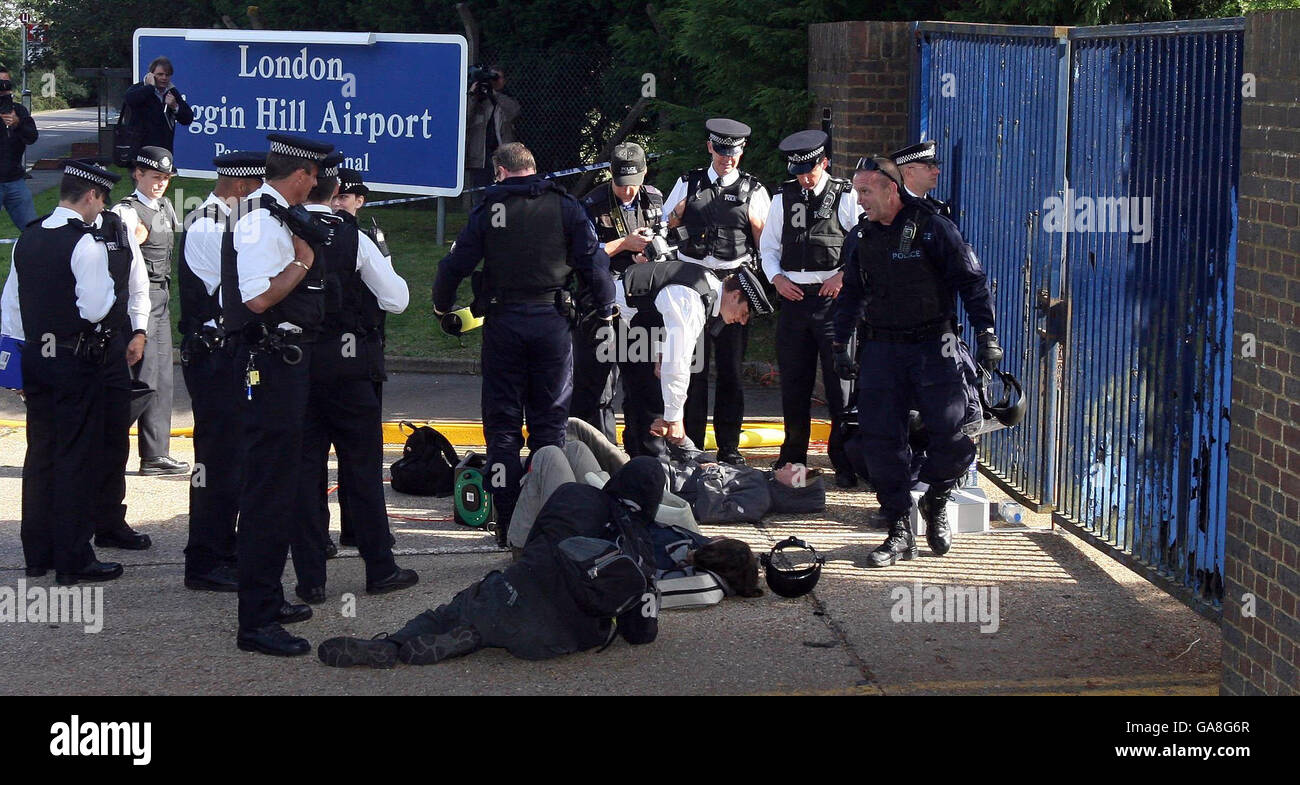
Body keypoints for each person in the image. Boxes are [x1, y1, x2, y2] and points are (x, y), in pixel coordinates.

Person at [432, 142, 616, 545]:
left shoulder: (488, 209)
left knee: (502, 430)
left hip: (504, 325)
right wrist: (605, 309)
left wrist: (441, 306)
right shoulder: (564, 206)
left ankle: (508, 522)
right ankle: (550, 522)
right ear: (533, 168)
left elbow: (455, 265)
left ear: (499, 171)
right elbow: (593, 262)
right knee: (549, 430)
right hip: (552, 324)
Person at [317, 457, 665, 668]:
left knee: (448, 612)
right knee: (512, 623)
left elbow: (532, 546)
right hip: (558, 640)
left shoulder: (575, 495)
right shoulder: (642, 552)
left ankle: (391, 645)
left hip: (514, 594)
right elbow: (640, 634)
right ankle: (476, 636)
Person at [831, 157, 1002, 567]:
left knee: (954, 432)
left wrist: (987, 335)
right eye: (856, 193)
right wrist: (840, 344)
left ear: (891, 189)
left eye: (865, 192)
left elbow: (971, 281)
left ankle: (937, 496)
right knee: (880, 442)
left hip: (933, 345)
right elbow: (852, 292)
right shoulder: (861, 236)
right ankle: (898, 531)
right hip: (882, 351)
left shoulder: (932, 227)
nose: (860, 201)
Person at [221, 132, 334, 657]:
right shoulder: (259, 223)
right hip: (270, 368)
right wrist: (304, 261)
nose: (317, 183)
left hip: (289, 366)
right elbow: (257, 297)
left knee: (281, 488)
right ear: (299, 175)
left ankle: (267, 598)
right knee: (267, 493)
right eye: (313, 175)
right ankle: (256, 621)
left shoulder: (279, 217)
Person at [289, 154, 417, 605]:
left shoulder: (284, 231)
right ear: (335, 192)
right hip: (350, 369)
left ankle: (310, 580)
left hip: (298, 367)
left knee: (304, 473)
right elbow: (397, 298)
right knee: (361, 469)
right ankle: (379, 566)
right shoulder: (355, 238)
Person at [0, 160, 126, 584]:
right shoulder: (85, 244)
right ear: (91, 196)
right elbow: (95, 308)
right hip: (74, 360)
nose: (100, 209)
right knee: (76, 458)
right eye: (101, 200)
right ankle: (74, 558)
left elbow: (11, 310)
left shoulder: (28, 238)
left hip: (35, 356)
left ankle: (38, 553)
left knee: (41, 455)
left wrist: (14, 369)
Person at [177, 150, 266, 591]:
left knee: (232, 459)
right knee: (217, 460)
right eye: (258, 189)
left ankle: (223, 550)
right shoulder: (211, 227)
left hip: (226, 355)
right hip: (213, 357)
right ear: (241, 187)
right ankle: (205, 559)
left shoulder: (224, 221)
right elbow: (248, 287)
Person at [662, 119, 770, 465]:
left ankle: (729, 448)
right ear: (710, 147)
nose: (727, 159)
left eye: (733, 152)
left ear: (742, 151)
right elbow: (664, 230)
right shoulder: (687, 183)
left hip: (731, 290)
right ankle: (688, 445)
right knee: (690, 368)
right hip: (690, 286)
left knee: (731, 373)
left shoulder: (754, 190)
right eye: (721, 151)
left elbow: (764, 247)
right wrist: (676, 219)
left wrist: (751, 291)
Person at [759, 130, 859, 489]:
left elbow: (862, 245)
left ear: (825, 163)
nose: (804, 178)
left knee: (839, 387)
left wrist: (843, 277)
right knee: (794, 385)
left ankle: (844, 459)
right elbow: (768, 247)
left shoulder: (846, 196)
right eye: (799, 171)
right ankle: (793, 458)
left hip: (833, 302)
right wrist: (777, 279)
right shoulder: (782, 198)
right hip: (794, 300)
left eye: (810, 171)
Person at [615, 260, 772, 459]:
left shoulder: (706, 286)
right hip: (609, 318)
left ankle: (640, 467)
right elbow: (677, 363)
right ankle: (652, 474)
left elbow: (662, 314)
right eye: (744, 313)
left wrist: (660, 349)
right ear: (735, 296)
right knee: (650, 402)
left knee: (645, 401)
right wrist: (674, 418)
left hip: (629, 324)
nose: (741, 320)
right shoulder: (693, 300)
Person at [578, 141, 664, 442]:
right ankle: (603, 452)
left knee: (642, 382)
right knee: (600, 384)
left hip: (641, 301)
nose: (627, 191)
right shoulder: (592, 204)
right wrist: (625, 245)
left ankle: (642, 450)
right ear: (610, 174)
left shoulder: (654, 199)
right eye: (620, 183)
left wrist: (648, 256)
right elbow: (585, 254)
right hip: (601, 300)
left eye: (633, 184)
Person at [112, 146, 188, 475]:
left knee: (161, 378)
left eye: (165, 179)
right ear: (138, 174)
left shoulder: (165, 207)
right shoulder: (126, 212)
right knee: (142, 378)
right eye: (155, 177)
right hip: (138, 300)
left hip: (162, 296)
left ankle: (156, 454)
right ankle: (108, 443)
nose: (160, 184)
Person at [329, 167, 393, 551]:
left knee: (363, 454)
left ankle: (358, 529)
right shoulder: (312, 232)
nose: (339, 203)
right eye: (335, 196)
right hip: (333, 353)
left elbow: (389, 297)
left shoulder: (370, 239)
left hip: (364, 351)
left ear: (359, 201)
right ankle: (319, 535)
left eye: (346, 197)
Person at [464, 65, 520, 207]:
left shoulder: (505, 99)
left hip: (502, 158)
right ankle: (480, 225)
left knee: (501, 197)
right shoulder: (478, 100)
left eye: (497, 77)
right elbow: (463, 118)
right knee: (480, 199)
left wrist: (494, 93)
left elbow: (514, 112)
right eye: (492, 77)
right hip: (480, 158)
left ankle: (498, 226)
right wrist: (472, 96)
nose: (494, 81)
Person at [121, 57, 193, 156]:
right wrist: (150, 87)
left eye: (167, 75)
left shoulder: (172, 92)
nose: (164, 78)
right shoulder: (140, 88)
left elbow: (188, 119)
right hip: (140, 150)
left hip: (163, 152)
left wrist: (175, 106)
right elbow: (130, 99)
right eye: (160, 74)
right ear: (151, 75)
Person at [0, 68, 38, 232]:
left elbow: (32, 137)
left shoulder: (18, 110)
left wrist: (17, 123)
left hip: (14, 180)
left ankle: (33, 257)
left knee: (32, 230)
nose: (4, 88)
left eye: (6, 83)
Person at [889, 141, 953, 222]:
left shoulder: (939, 208)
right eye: (929, 167)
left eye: (936, 166)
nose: (937, 171)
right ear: (909, 172)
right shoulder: (890, 208)